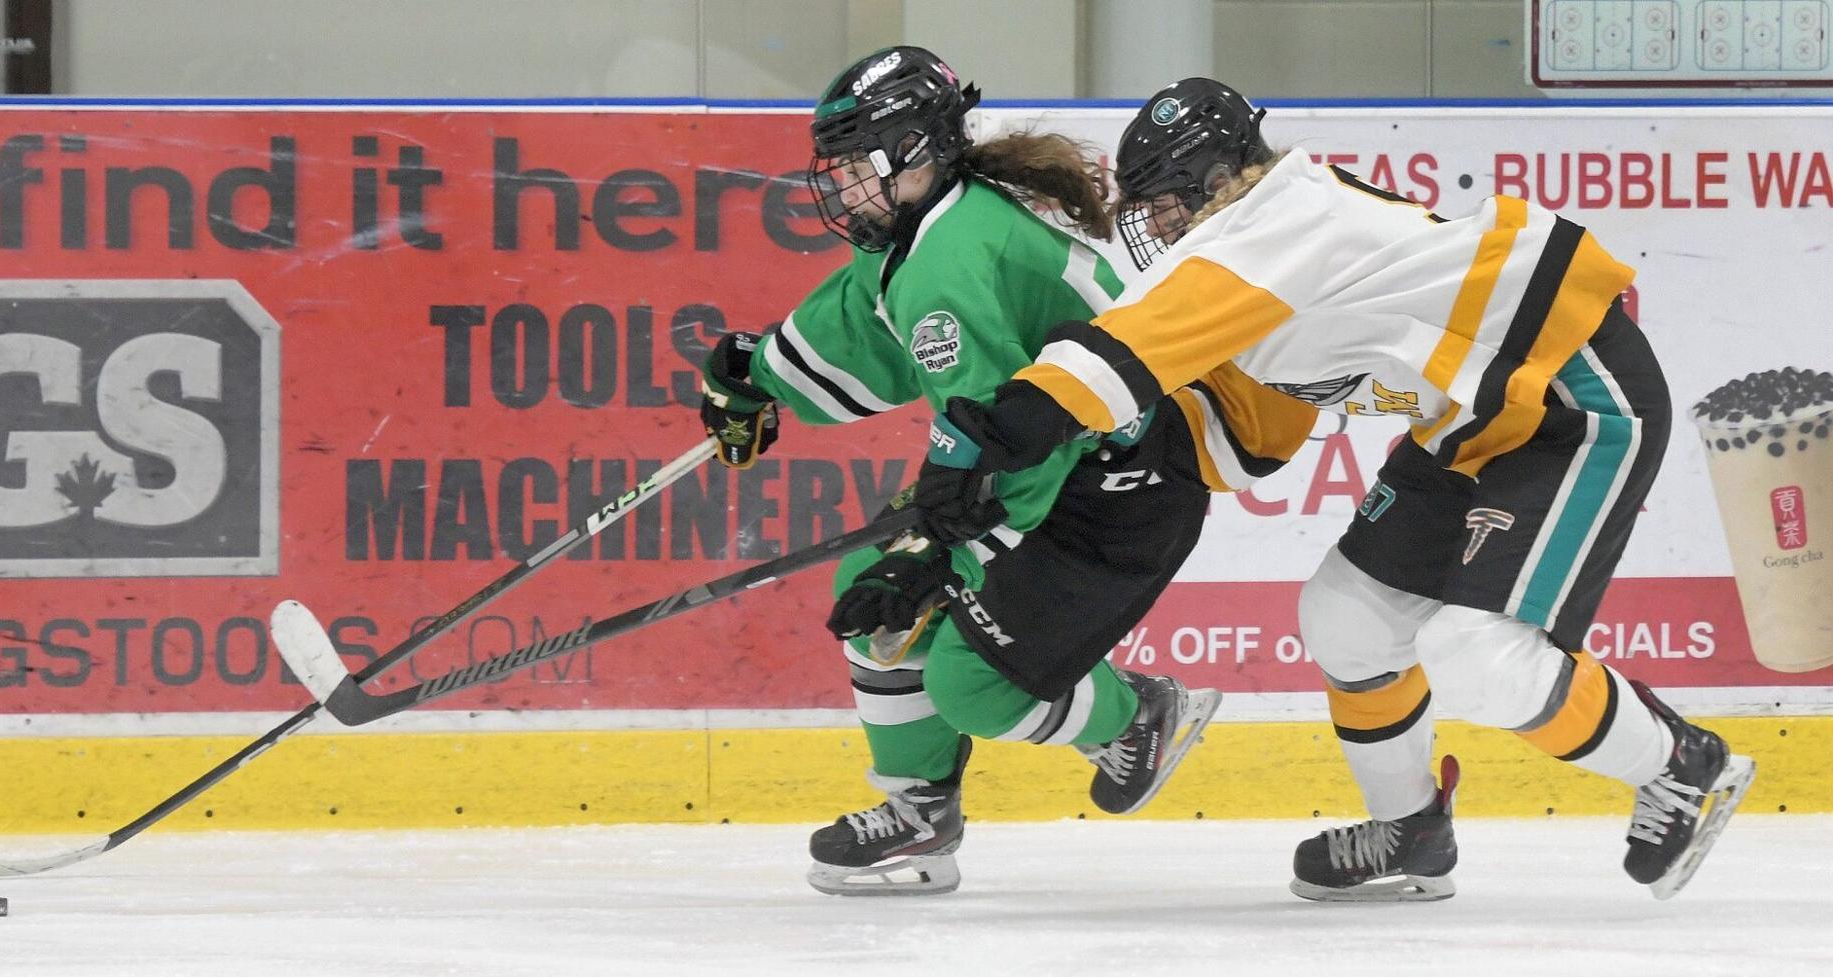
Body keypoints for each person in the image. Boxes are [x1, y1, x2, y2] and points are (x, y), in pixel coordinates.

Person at [903, 77, 1757, 902]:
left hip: (1571, 391)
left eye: (1165, 204)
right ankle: (1411, 829)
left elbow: (1129, 342)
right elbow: (1245, 445)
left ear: (1213, 177)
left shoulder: (1275, 221)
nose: (1160, 229)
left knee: (1478, 656)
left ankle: (1685, 766)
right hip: (1471, 426)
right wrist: (1108, 431)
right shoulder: (1257, 276)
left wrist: (998, 430)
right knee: (1345, 616)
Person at [696, 51, 1317, 895]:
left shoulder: (953, 258)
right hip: (1062, 454)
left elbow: (1014, 437)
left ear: (913, 151)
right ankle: (919, 816)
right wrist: (758, 374)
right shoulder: (926, 232)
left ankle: (1141, 716)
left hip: (1127, 478)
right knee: (871, 586)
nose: (839, 188)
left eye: (852, 165)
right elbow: (868, 333)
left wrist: (945, 555)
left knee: (970, 684)